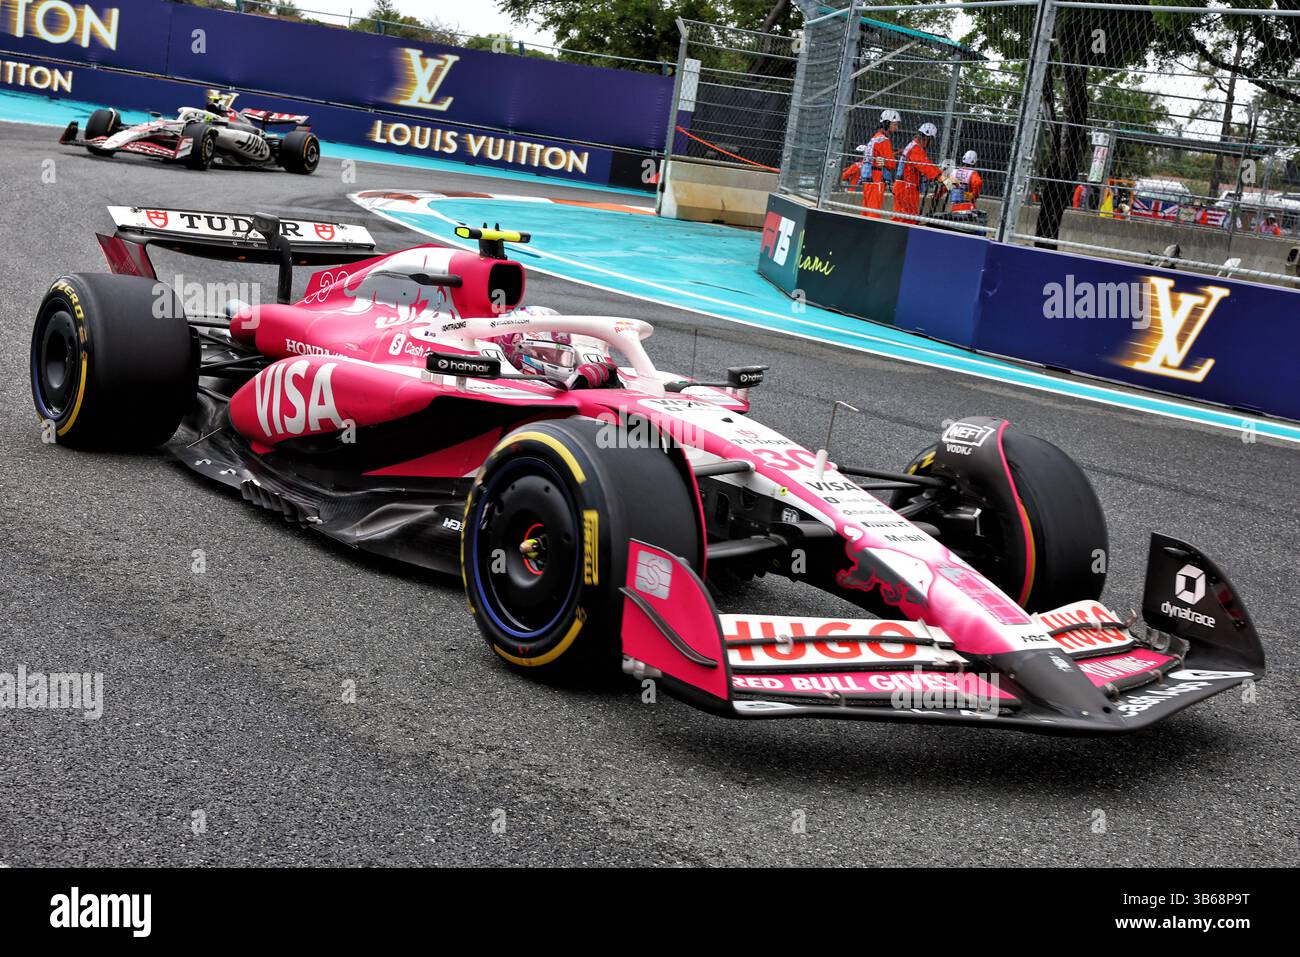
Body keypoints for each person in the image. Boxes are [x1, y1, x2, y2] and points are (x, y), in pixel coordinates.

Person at [893, 122, 942, 224]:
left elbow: (926, 163)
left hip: (903, 186)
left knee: (900, 217)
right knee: (908, 218)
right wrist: (943, 178)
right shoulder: (916, 149)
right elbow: (925, 166)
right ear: (928, 138)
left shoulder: (912, 145)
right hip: (907, 187)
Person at [859, 109, 900, 219]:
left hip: (868, 178)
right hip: (876, 178)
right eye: (894, 124)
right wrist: (891, 160)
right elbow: (891, 164)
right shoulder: (884, 140)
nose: (896, 128)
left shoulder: (875, 138)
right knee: (874, 211)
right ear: (887, 123)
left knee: (865, 209)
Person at [946, 150, 983, 214]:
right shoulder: (973, 173)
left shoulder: (954, 172)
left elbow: (947, 185)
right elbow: (978, 183)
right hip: (968, 205)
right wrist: (974, 195)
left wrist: (937, 195)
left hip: (954, 205)